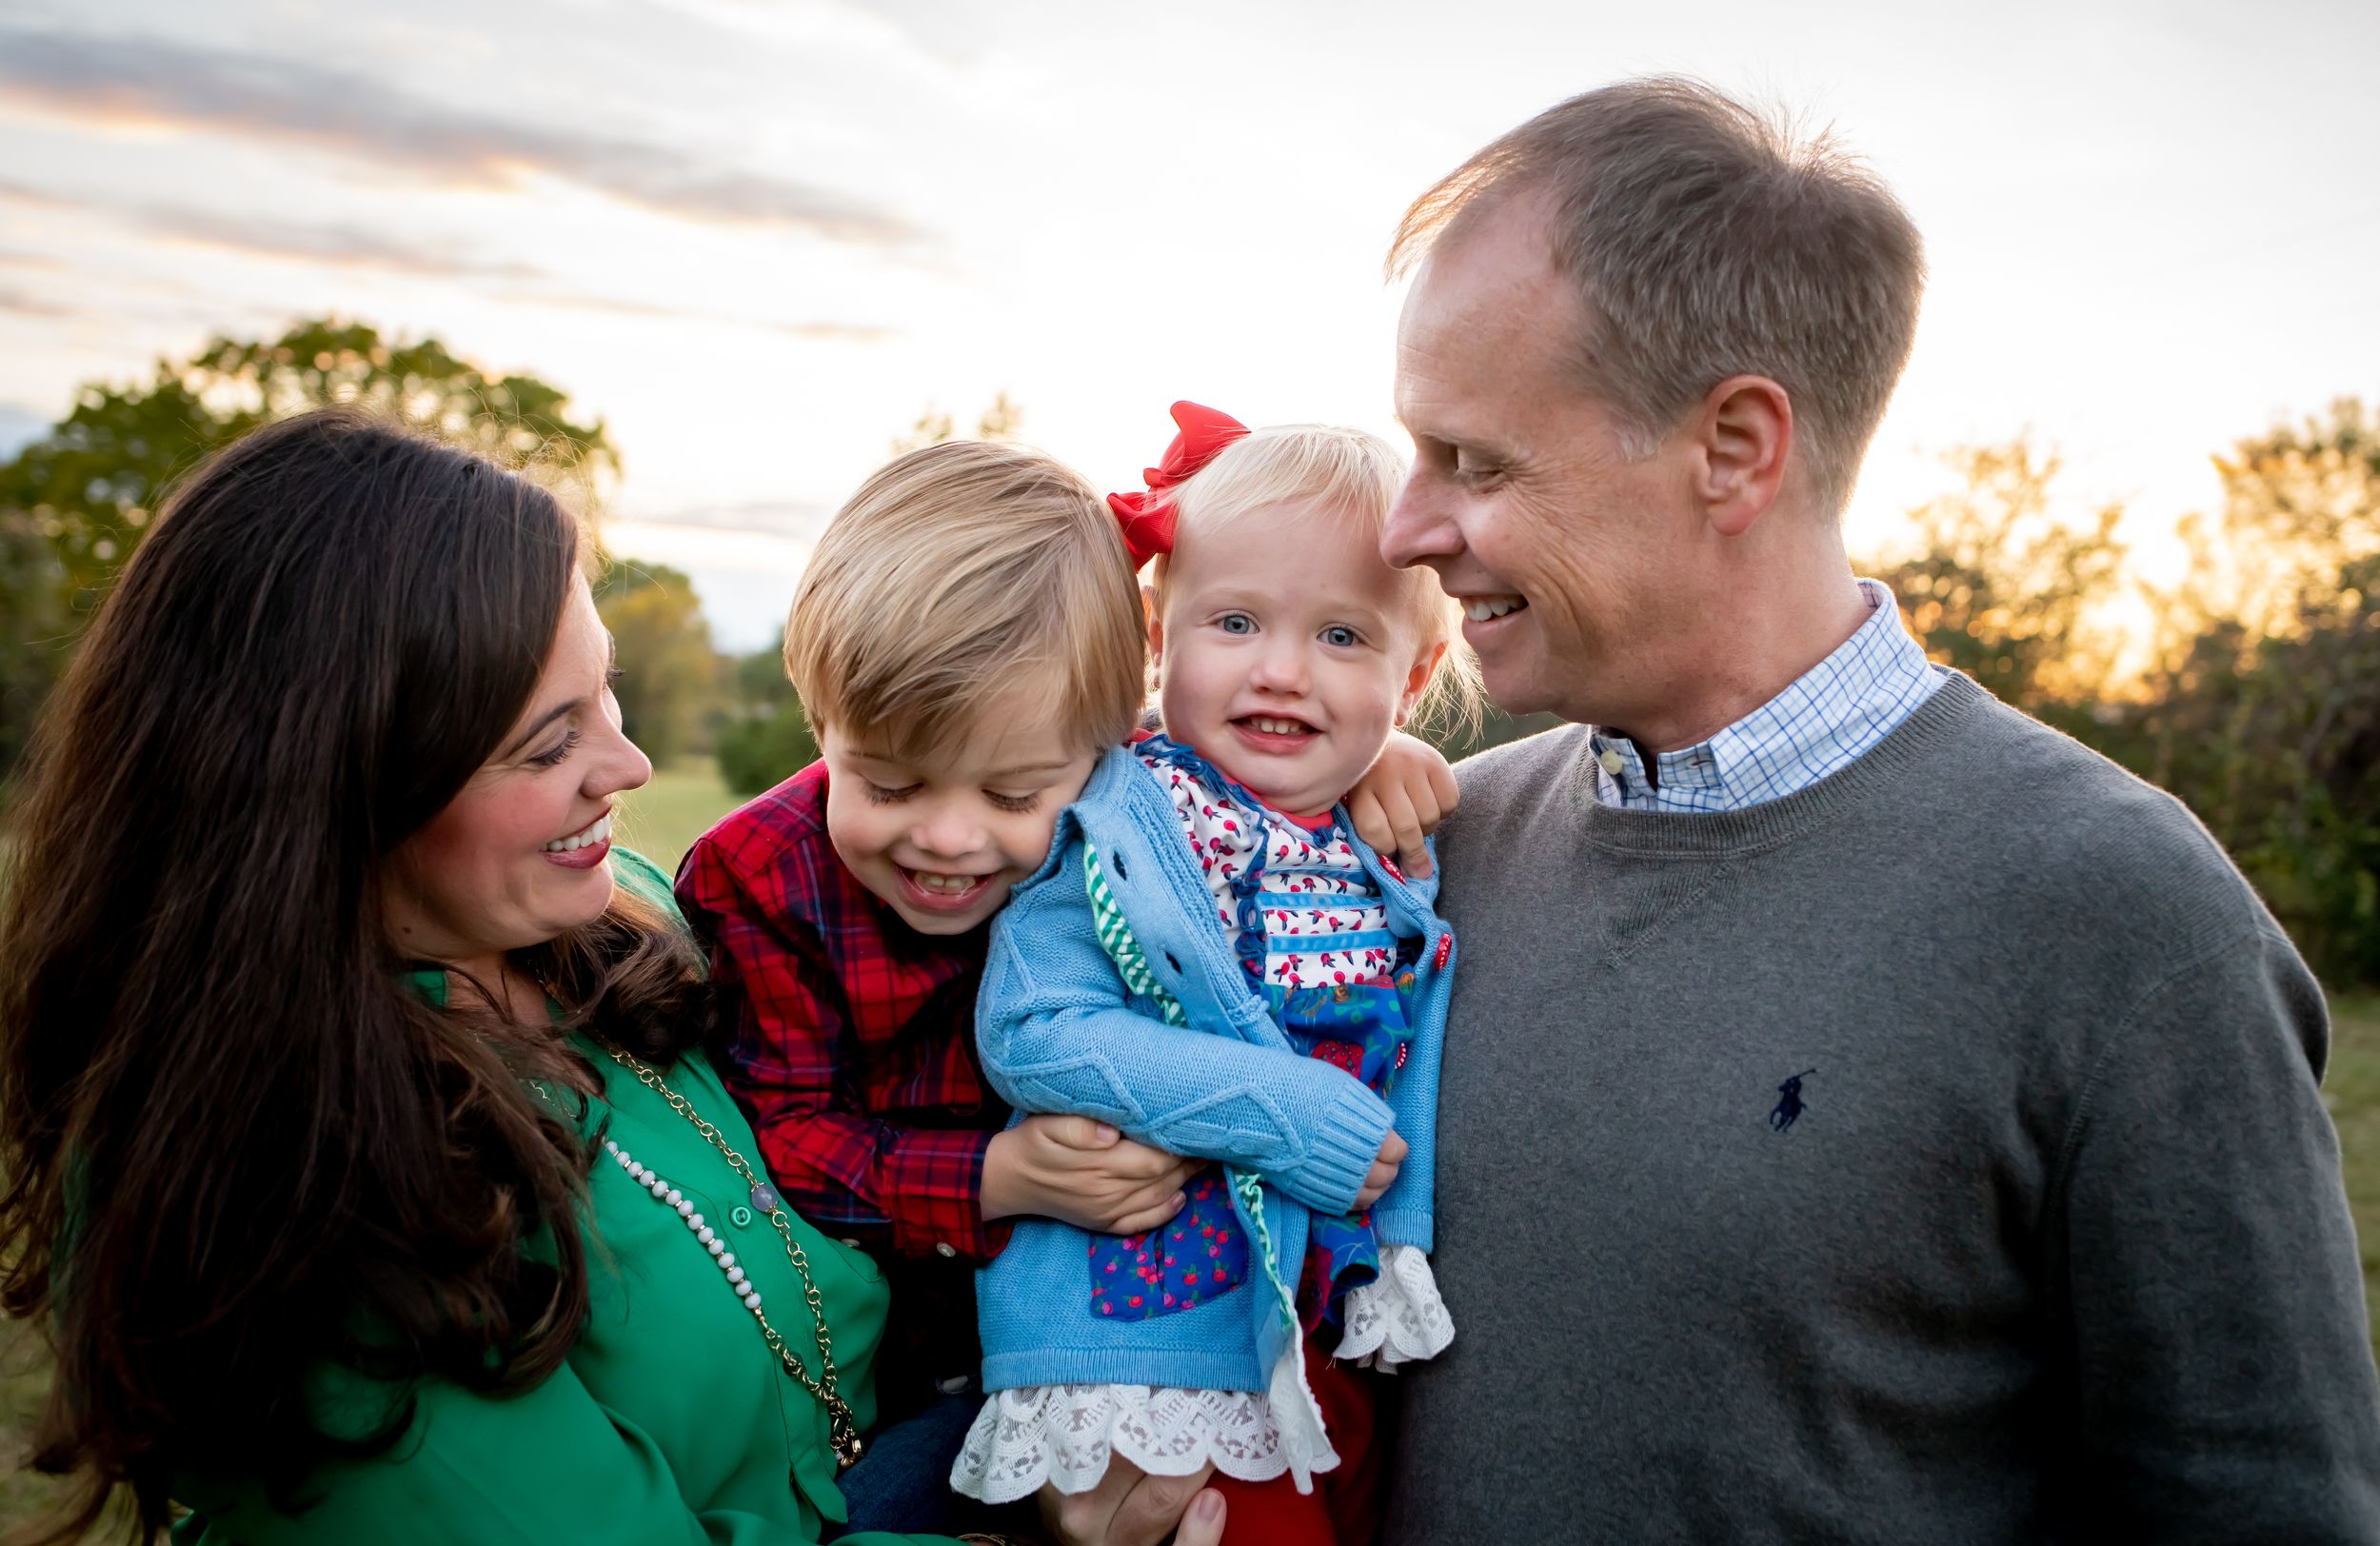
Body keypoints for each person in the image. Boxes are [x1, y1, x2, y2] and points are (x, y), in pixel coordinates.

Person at [1376, 77, 2380, 1540]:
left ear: (1735, 448)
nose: (1407, 529)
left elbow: (2262, 1506)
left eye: (1474, 463)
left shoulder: (2121, 917)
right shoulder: (1426, 855)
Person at [0, 408, 1224, 1546]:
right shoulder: (279, 1201)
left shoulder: (622, 908)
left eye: (609, 691)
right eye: (550, 742)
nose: (629, 763)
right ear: (335, 788)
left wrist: (1338, 764)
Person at [674, 438, 1454, 1536]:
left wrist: (1378, 758)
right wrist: (997, 1176)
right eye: (888, 782)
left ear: (1100, 740)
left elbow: (1249, 755)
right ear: (820, 726)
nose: (947, 837)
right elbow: (791, 1134)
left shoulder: (1130, 791)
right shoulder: (763, 876)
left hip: (1120, 1305)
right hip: (896, 1336)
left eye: (1012, 791)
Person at [951, 407, 1467, 1546]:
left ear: (1415, 671)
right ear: (1156, 633)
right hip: (1155, 1358)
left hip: (1320, 1331)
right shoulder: (1122, 818)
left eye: (1344, 637)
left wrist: (1402, 1246)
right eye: (1234, 622)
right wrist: (1282, 1113)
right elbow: (1036, 1031)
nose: (1281, 670)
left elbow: (1399, 1045)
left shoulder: (1371, 849)